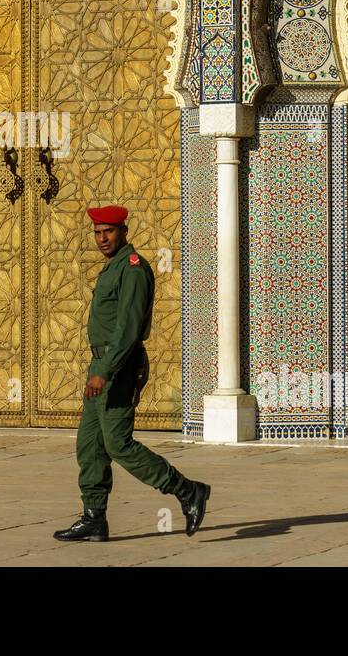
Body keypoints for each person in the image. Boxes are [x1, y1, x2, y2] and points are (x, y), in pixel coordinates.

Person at [53, 205, 211, 542]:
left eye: (108, 231)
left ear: (124, 231)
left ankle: (187, 490)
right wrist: (99, 368)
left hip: (118, 365)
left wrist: (106, 370)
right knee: (90, 445)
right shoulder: (112, 269)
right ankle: (94, 517)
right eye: (97, 232)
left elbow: (127, 328)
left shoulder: (133, 269)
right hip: (101, 365)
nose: (102, 238)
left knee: (118, 444)